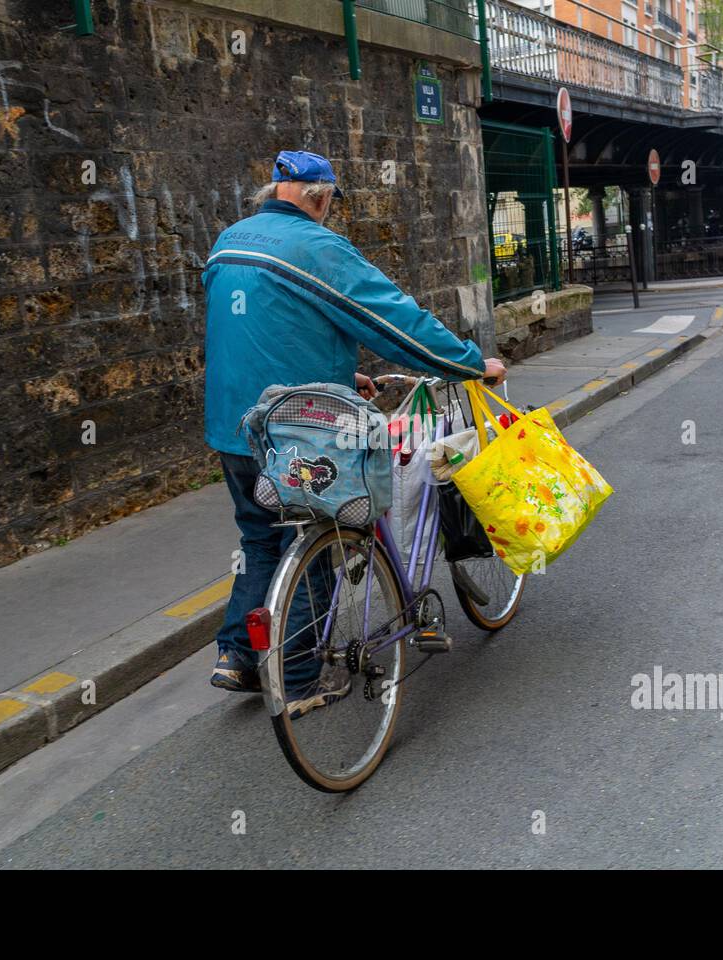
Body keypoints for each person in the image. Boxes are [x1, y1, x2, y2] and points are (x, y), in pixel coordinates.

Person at [202, 149, 506, 706]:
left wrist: (344, 374)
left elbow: (268, 329)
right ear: (321, 198)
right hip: (298, 432)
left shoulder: (231, 241)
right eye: (330, 204)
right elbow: (393, 320)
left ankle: (239, 658)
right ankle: (297, 683)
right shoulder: (319, 248)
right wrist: (466, 362)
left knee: (260, 538)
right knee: (316, 533)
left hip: (234, 425)